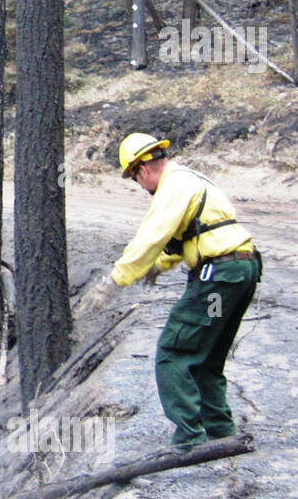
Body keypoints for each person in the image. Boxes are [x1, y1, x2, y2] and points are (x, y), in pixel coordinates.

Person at [82, 133, 261, 450]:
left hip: (218, 279)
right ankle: (220, 430)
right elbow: (189, 237)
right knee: (206, 353)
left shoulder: (173, 187)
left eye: (135, 179)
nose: (141, 187)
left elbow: (151, 237)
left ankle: (190, 438)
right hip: (240, 272)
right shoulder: (191, 179)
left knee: (174, 351)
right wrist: (157, 266)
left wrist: (114, 281)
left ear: (142, 169)